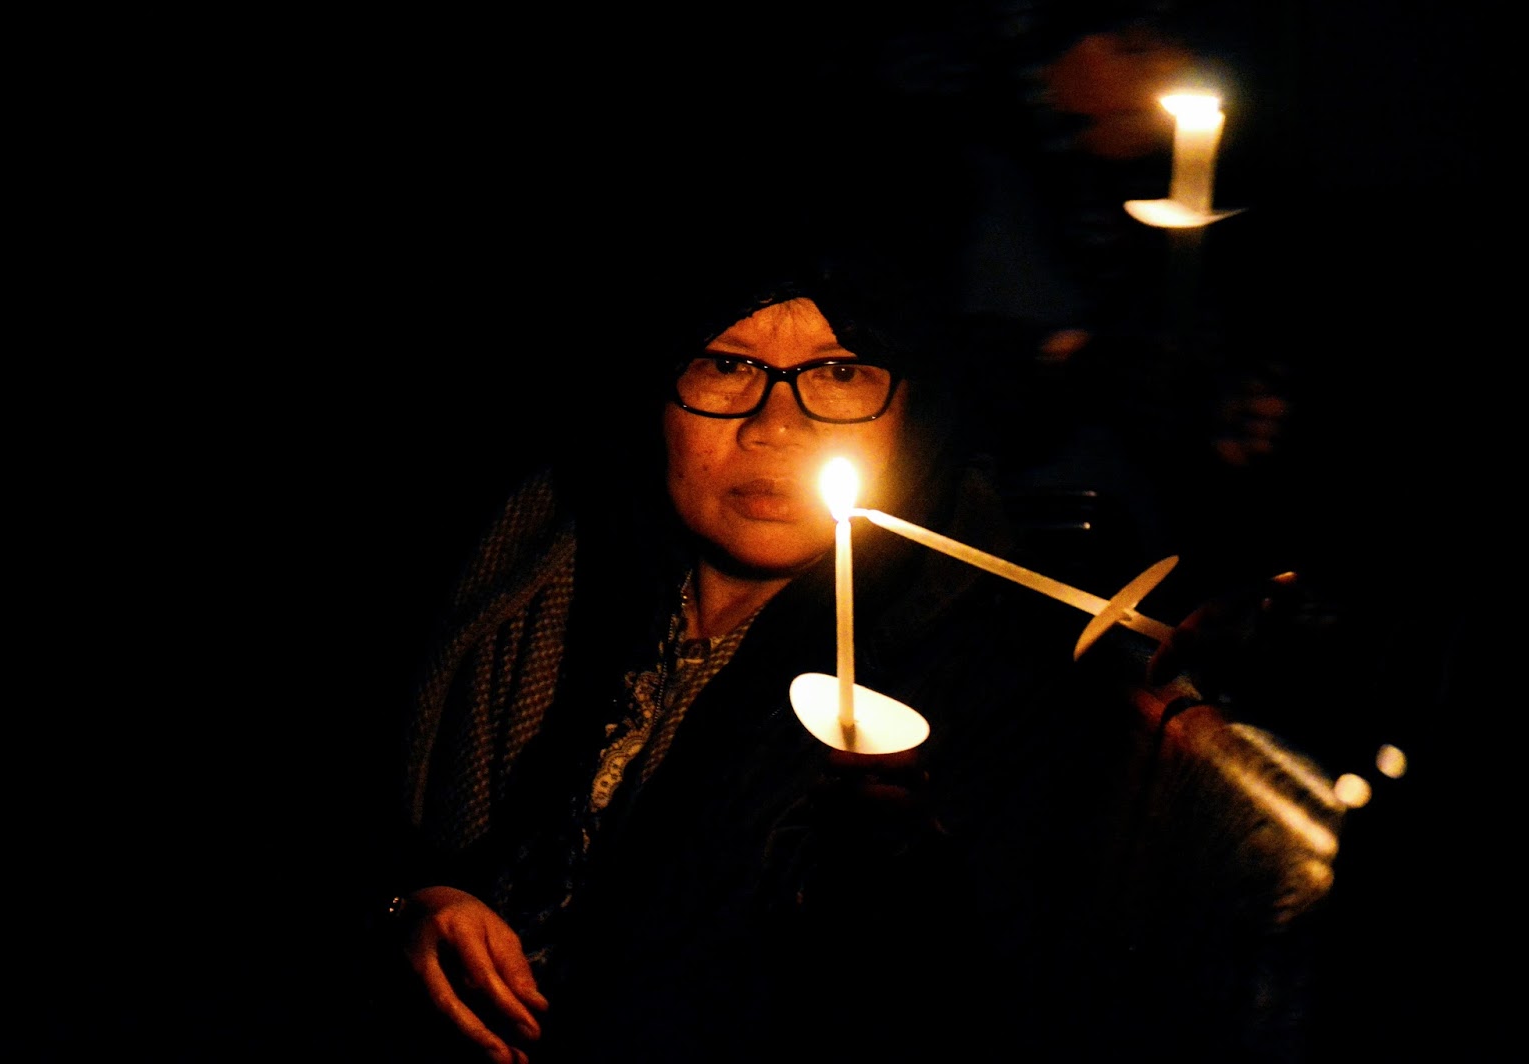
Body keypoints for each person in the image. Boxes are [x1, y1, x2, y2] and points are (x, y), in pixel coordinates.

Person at [358, 250, 1340, 1064]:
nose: (774, 426)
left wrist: (884, 897)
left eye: (837, 371)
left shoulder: (988, 670)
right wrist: (407, 896)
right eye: (723, 363)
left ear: (909, 406)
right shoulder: (533, 557)